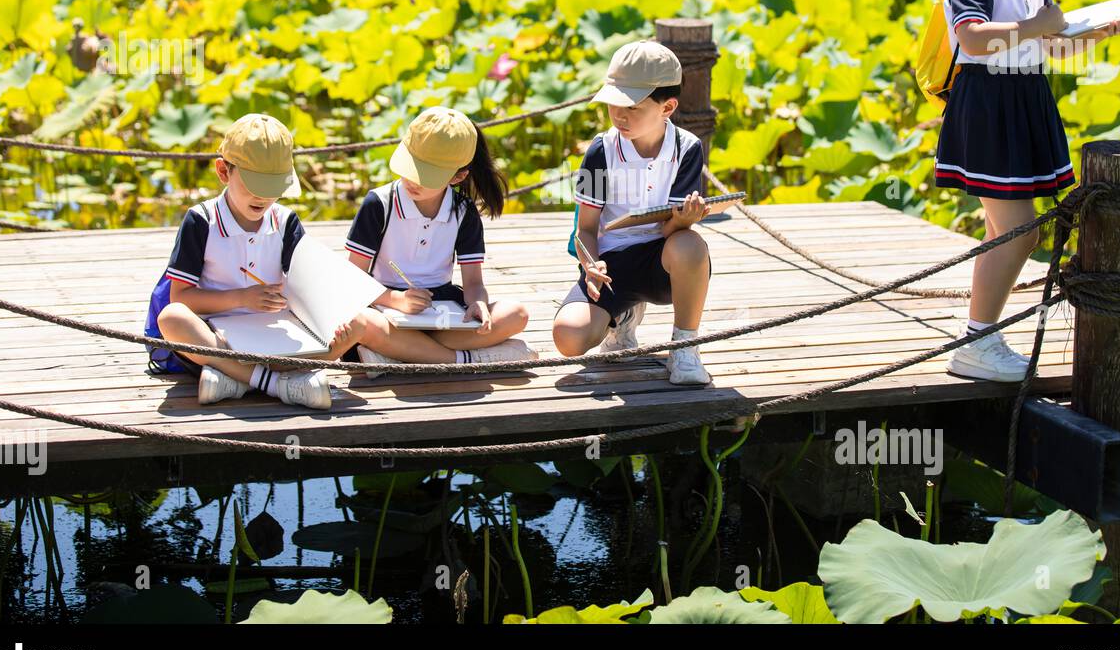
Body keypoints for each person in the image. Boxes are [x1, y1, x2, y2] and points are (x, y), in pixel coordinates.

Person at [936, 0, 1120, 382]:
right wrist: (1037, 26)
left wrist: (1096, 33)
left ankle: (980, 335)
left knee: (1005, 230)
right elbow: (975, 41)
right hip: (988, 106)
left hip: (1025, 98)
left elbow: (1046, 44)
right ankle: (977, 340)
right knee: (1021, 233)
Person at [146, 113, 362, 410]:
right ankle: (276, 383)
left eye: (273, 187)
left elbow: (308, 284)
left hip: (275, 334)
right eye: (253, 184)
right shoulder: (202, 221)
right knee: (172, 318)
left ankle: (236, 378)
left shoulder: (285, 221)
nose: (263, 196)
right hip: (216, 337)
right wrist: (242, 298)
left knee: (363, 320)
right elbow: (181, 298)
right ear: (223, 171)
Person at [551, 40, 713, 385]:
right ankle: (621, 319)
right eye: (613, 104)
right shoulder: (600, 151)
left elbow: (674, 232)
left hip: (663, 261)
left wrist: (684, 221)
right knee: (568, 337)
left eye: (633, 106)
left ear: (667, 107)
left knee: (691, 244)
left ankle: (685, 346)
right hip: (612, 265)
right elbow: (586, 229)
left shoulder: (687, 149)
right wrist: (590, 265)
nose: (619, 115)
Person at [344, 106, 535, 372]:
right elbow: (352, 281)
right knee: (359, 321)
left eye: (426, 175)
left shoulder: (463, 211)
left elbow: (474, 284)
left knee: (516, 314)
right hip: (384, 304)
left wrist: (478, 303)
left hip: (443, 313)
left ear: (458, 176)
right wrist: (396, 300)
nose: (412, 180)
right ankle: (464, 361)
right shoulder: (379, 204)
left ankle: (398, 355)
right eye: (411, 166)